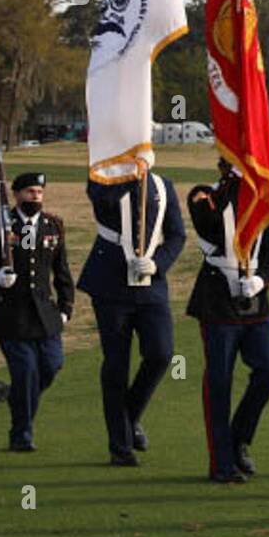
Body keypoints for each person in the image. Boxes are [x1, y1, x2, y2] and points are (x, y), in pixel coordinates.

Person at [77, 163, 186, 466]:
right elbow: (103, 203)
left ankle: (130, 416)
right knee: (116, 365)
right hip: (110, 285)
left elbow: (177, 234)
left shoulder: (164, 186)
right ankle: (119, 445)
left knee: (161, 353)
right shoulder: (102, 181)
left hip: (150, 287)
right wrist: (128, 178)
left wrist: (158, 264)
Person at [186, 158, 269, 483]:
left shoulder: (259, 198)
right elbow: (212, 227)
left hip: (254, 299)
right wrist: (236, 184)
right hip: (217, 299)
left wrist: (261, 279)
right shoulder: (205, 196)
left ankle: (238, 437)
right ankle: (221, 464)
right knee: (219, 382)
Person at [0, 171, 73, 451]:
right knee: (26, 372)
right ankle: (22, 433)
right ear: (16, 195)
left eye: (39, 192)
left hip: (45, 313)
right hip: (12, 315)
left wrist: (66, 307)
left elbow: (61, 270)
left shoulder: (53, 225)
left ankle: (21, 399)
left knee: (51, 365)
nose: (35, 197)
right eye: (30, 192)